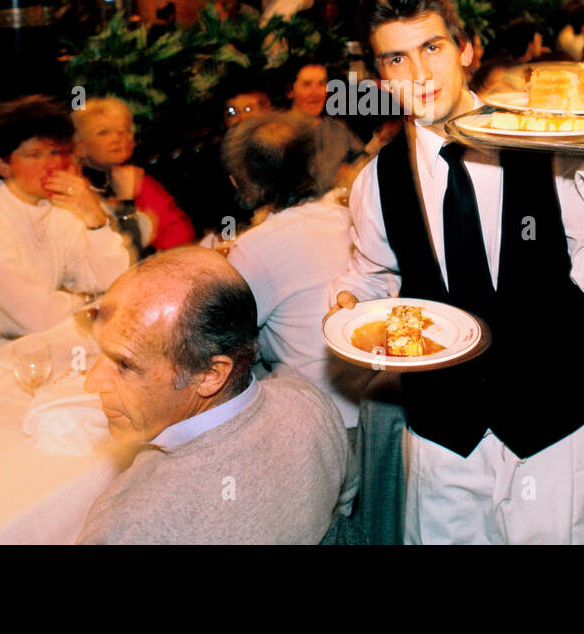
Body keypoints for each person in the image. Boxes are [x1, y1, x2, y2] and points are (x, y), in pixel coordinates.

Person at [329, 0, 584, 544]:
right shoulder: (376, 181)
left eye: (433, 48)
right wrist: (354, 303)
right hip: (442, 439)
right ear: (381, 76)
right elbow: (376, 273)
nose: (421, 75)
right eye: (397, 59)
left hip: (552, 432)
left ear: (467, 50)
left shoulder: (547, 147)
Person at [77, 247, 348, 544]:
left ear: (211, 375)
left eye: (125, 364)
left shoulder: (130, 526)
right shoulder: (310, 401)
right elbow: (344, 505)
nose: (92, 382)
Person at [0, 99, 133, 348]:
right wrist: (89, 301)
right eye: (35, 155)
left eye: (55, 152)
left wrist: (94, 216)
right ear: (2, 165)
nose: (52, 164)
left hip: (51, 343)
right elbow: (36, 317)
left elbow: (111, 279)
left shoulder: (59, 208)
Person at [222, 112, 372, 433]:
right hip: (378, 408)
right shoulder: (347, 215)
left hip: (323, 423)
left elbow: (230, 337)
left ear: (240, 181)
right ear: (312, 165)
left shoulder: (255, 248)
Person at [72, 97, 195, 254]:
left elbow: (183, 232)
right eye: (104, 132)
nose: (118, 138)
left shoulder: (140, 180)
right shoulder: (77, 193)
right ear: (79, 147)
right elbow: (124, 255)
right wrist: (126, 202)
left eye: (125, 130)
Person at [287, 62, 389, 194]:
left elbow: (362, 160)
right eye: (307, 84)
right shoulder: (278, 132)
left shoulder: (336, 127)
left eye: (321, 84)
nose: (316, 92)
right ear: (290, 91)